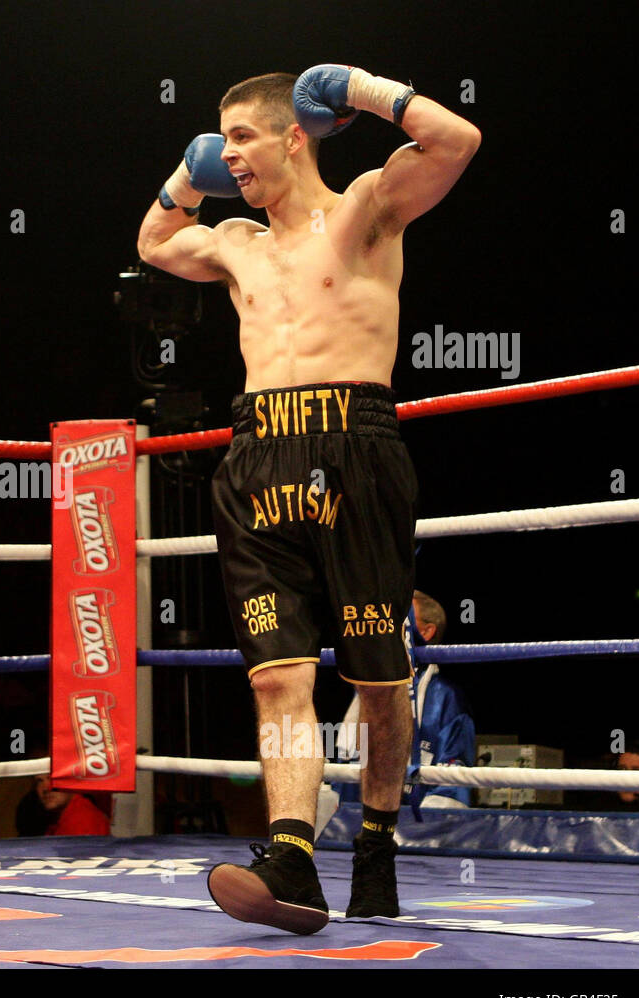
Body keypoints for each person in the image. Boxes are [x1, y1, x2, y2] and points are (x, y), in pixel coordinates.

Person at [139, 67, 479, 933]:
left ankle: (374, 839)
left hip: (354, 446)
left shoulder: (366, 207)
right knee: (279, 676)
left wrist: (367, 89)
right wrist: (187, 175)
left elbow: (457, 141)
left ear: (295, 136)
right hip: (257, 453)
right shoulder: (235, 244)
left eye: (242, 139)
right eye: (221, 143)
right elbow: (152, 242)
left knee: (377, 681)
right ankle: (291, 852)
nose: (230, 158)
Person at [334, 590, 476, 809]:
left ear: (426, 631)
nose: (389, 626)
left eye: (401, 617)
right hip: (356, 823)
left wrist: (411, 834)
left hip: (417, 827)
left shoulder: (445, 698)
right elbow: (345, 772)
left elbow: (451, 786)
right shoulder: (366, 689)